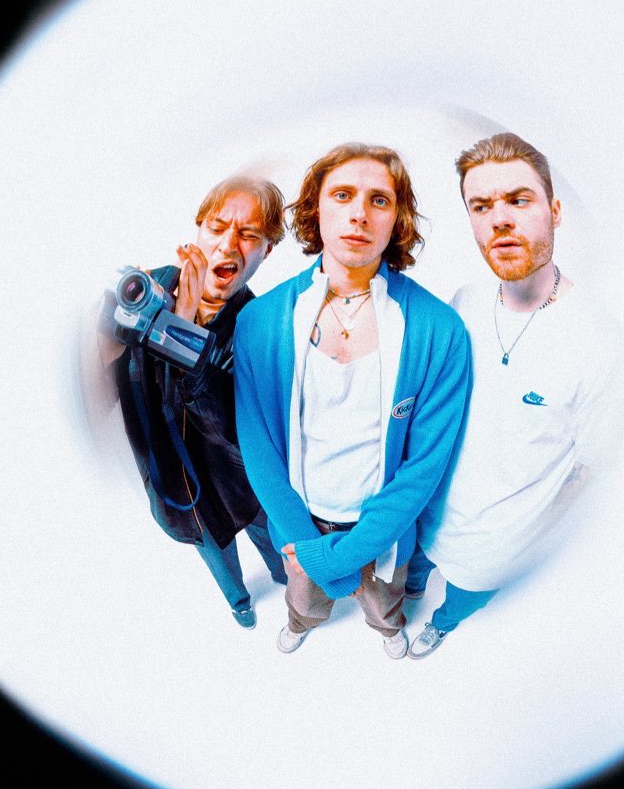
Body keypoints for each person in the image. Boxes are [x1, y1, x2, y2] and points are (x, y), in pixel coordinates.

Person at [232, 143, 471, 658]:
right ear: (316, 208)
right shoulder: (259, 321)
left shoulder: (439, 330)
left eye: (379, 200)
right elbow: (258, 448)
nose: (359, 212)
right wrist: (304, 546)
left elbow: (425, 466)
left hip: (386, 529)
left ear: (397, 219)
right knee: (304, 601)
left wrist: (346, 557)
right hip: (297, 527)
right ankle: (300, 624)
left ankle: (388, 631)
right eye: (342, 195)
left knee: (384, 607)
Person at [406, 132, 624, 659]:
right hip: (425, 516)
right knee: (414, 572)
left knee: (456, 604)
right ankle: (414, 589)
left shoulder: (602, 346)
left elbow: (592, 470)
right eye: (481, 206)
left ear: (554, 211)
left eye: (518, 200)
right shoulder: (463, 301)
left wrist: (521, 540)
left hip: (493, 552)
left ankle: (440, 623)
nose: (499, 219)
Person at [96, 175, 289, 629]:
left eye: (249, 235)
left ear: (267, 251)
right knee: (216, 556)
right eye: (217, 227)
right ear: (198, 230)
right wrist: (108, 330)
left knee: (269, 535)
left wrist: (185, 330)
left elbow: (234, 430)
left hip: (242, 484)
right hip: (176, 490)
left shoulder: (263, 327)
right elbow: (100, 388)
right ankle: (240, 603)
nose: (228, 244)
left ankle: (284, 577)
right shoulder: (146, 290)